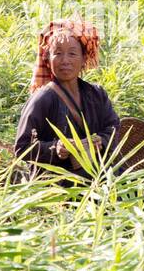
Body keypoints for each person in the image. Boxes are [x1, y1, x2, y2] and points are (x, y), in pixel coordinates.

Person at [14, 18, 121, 180]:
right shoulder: (42, 99)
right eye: (57, 53)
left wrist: (101, 141)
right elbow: (22, 148)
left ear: (84, 58)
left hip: (98, 174)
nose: (65, 61)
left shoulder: (97, 94)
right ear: (48, 60)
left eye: (72, 53)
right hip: (58, 183)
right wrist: (55, 148)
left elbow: (113, 128)